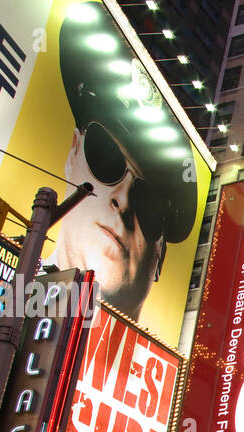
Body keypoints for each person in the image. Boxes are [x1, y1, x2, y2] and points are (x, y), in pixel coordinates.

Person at [52, 2, 199, 321]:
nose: (122, 200)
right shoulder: (7, 293)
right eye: (105, 158)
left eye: (150, 204)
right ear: (74, 152)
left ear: (160, 259)